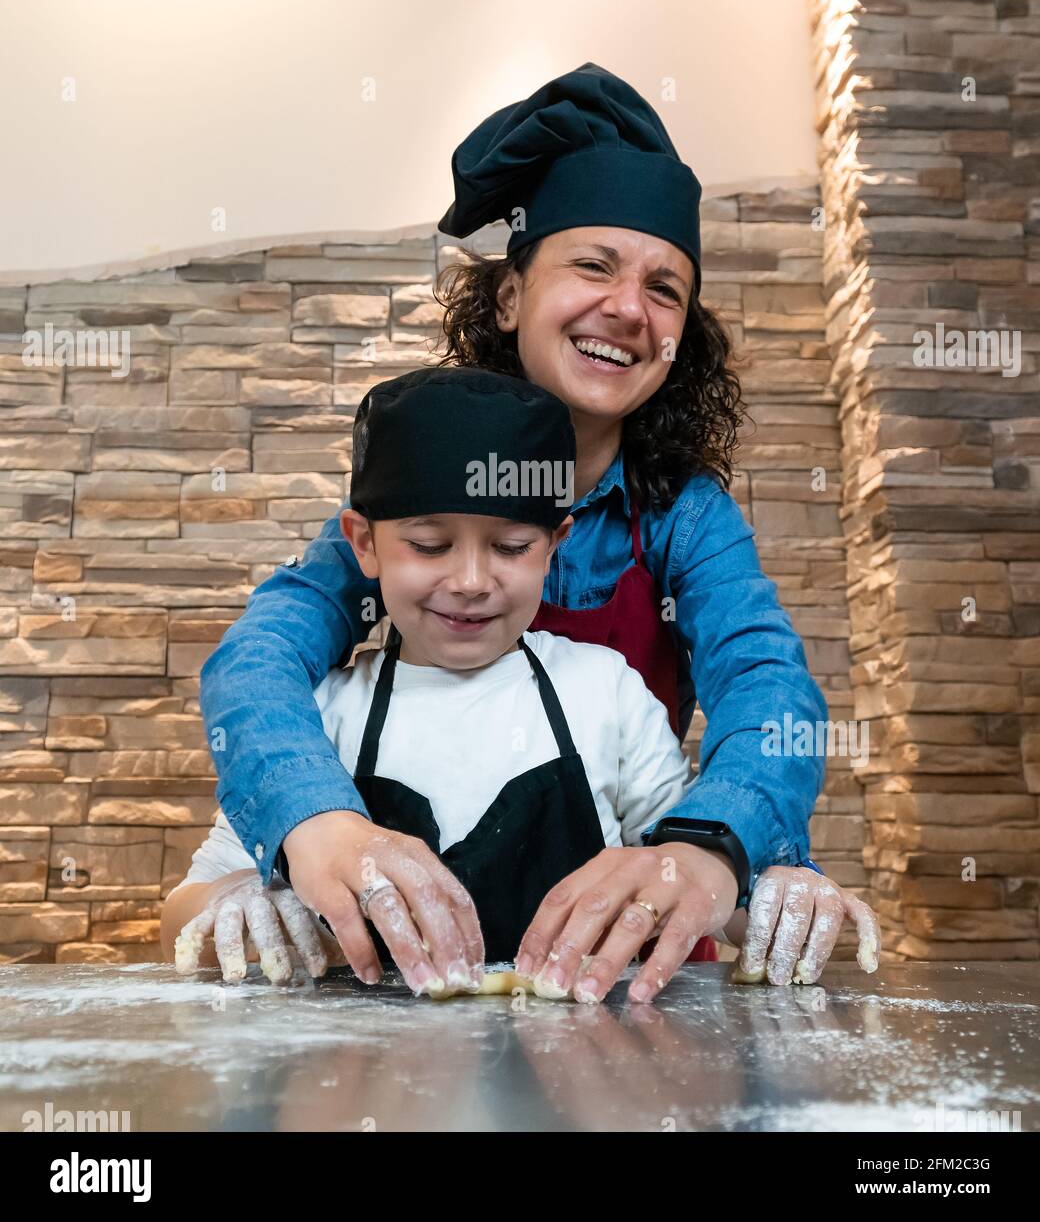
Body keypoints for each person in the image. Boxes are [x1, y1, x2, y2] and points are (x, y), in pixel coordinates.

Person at [199, 61, 879, 1002]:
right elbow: (257, 660)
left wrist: (712, 848)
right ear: (511, 296)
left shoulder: (682, 520)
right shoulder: (417, 490)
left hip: (624, 999)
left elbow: (770, 691)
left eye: (666, 289)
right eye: (592, 266)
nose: (628, 309)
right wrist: (317, 825)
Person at [165, 369, 878, 997]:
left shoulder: (607, 693)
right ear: (362, 543)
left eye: (512, 547)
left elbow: (690, 881)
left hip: (588, 1092)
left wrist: (777, 886)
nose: (471, 581)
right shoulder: (323, 711)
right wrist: (239, 902)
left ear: (556, 545)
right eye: (429, 544)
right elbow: (186, 905)